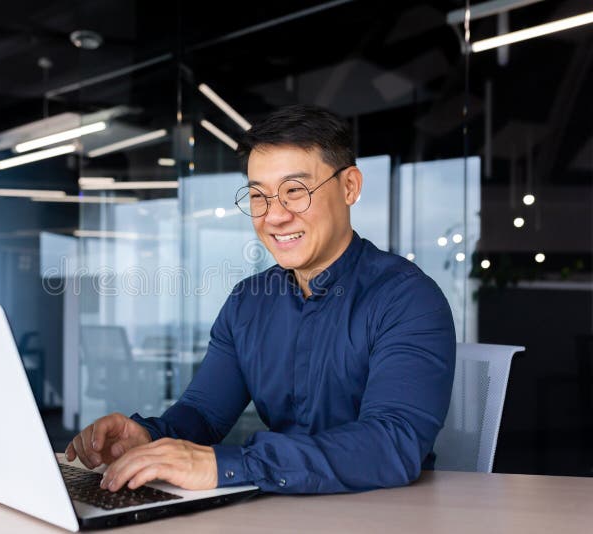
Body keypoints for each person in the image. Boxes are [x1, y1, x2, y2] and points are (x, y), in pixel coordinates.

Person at [66, 105, 456, 494]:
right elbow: (203, 412)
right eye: (258, 196)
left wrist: (230, 464)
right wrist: (149, 437)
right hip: (280, 508)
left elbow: (392, 444)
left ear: (350, 186)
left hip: (382, 512)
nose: (274, 216)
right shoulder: (248, 303)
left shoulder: (407, 298)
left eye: (294, 191)